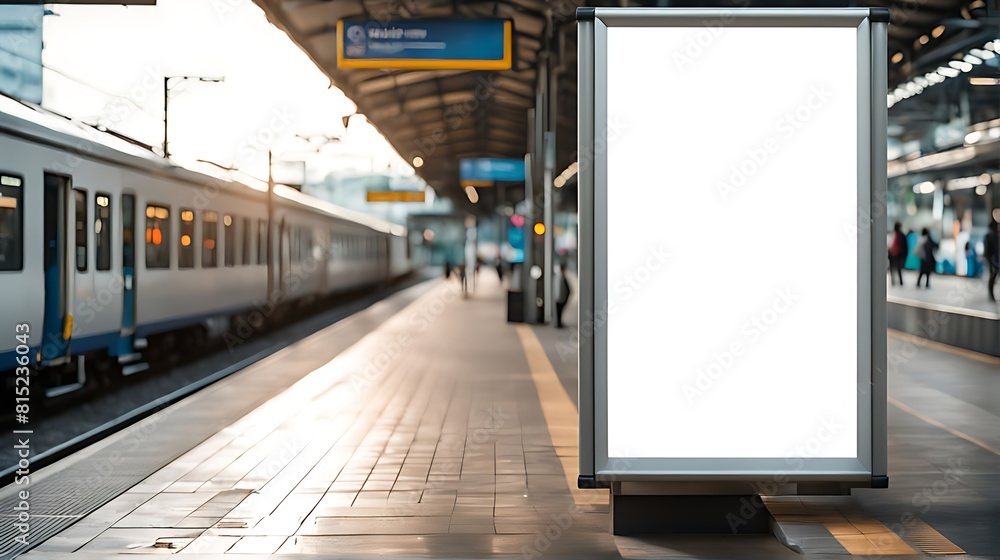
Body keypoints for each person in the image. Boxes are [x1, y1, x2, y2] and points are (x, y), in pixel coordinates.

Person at [554, 258, 571, 328]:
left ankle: (559, 323)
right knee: (559, 311)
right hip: (560, 298)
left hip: (560, 297)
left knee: (559, 311)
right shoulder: (560, 278)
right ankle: (559, 323)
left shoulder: (560, 277)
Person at [985, 218, 999, 301]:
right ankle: (991, 295)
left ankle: (991, 295)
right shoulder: (992, 235)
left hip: (990, 258)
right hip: (992, 258)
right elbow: (993, 248)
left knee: (992, 275)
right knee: (993, 275)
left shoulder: (989, 234)